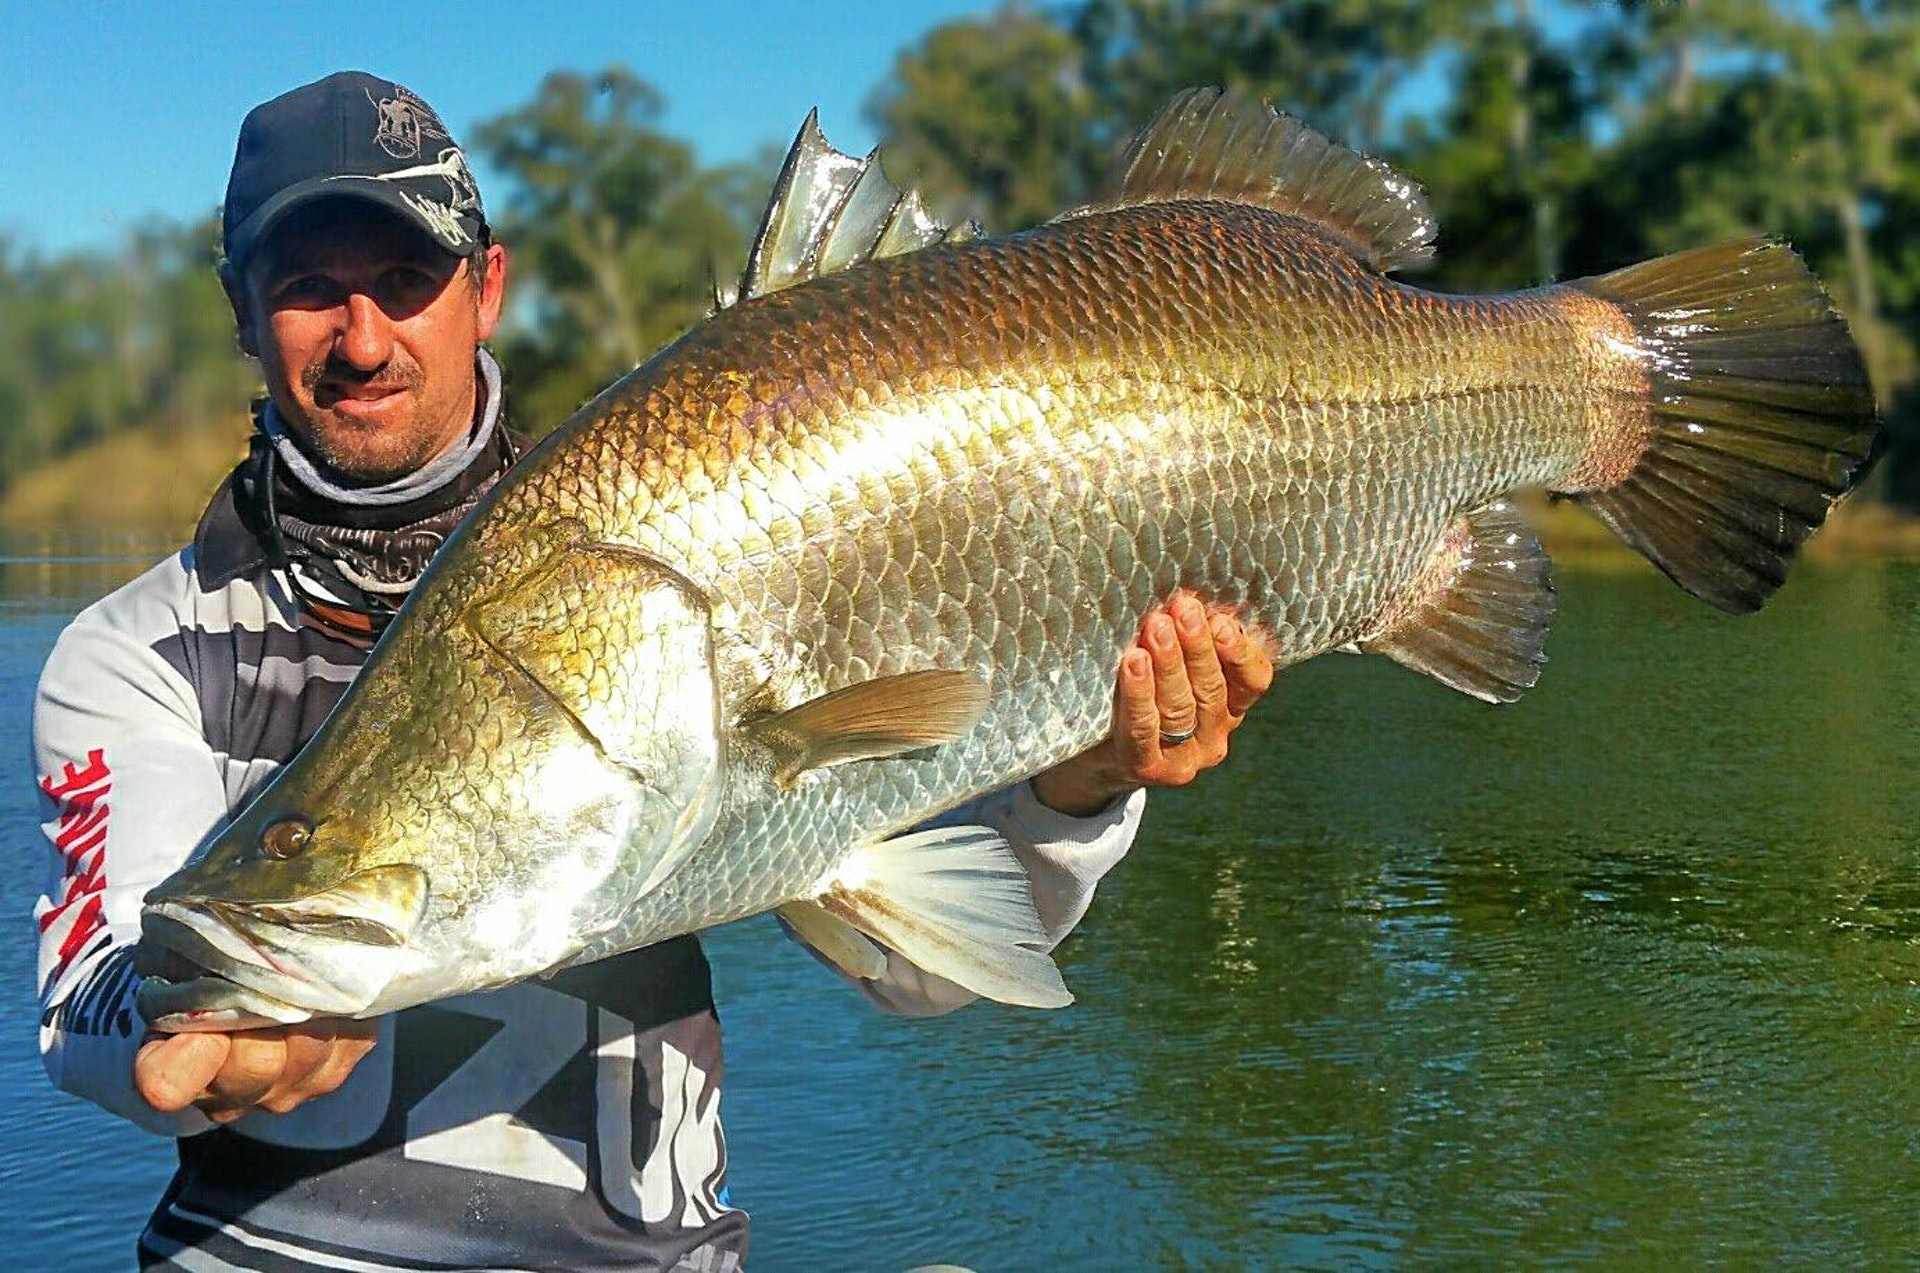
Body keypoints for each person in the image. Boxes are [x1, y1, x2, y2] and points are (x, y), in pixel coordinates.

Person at [32, 72, 1273, 1270]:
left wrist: (1083, 786)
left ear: (486, 286)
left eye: (407, 279)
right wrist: (166, 1021)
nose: (364, 337)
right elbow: (96, 983)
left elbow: (922, 976)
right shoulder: (133, 654)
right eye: (309, 287)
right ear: (241, 310)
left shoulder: (634, 517)